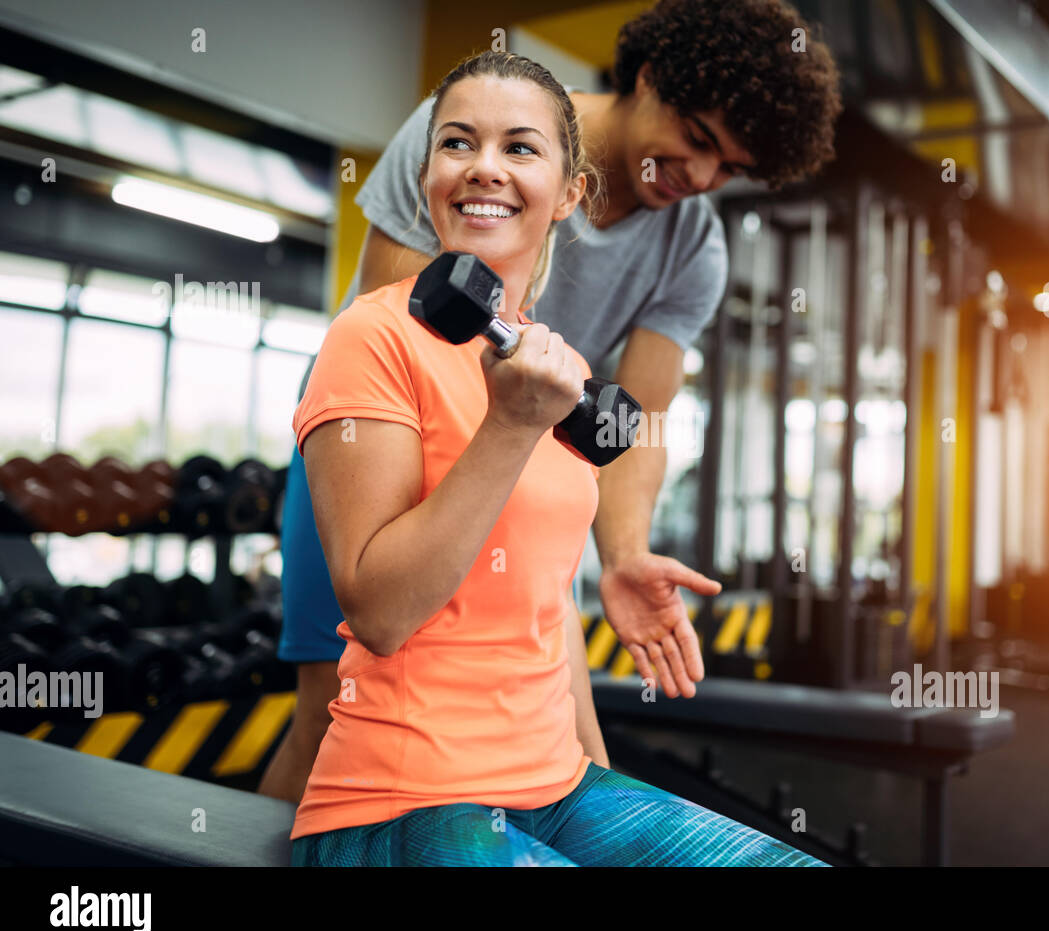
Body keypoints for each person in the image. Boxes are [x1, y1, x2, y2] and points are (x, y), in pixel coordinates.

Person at [261, 0, 843, 806]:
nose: (702, 179)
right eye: (699, 139)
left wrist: (626, 550)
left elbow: (628, 425)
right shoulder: (472, 137)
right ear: (649, 79)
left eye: (730, 169)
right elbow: (407, 339)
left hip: (517, 446)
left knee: (556, 723)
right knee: (337, 712)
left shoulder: (692, 244)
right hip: (375, 436)